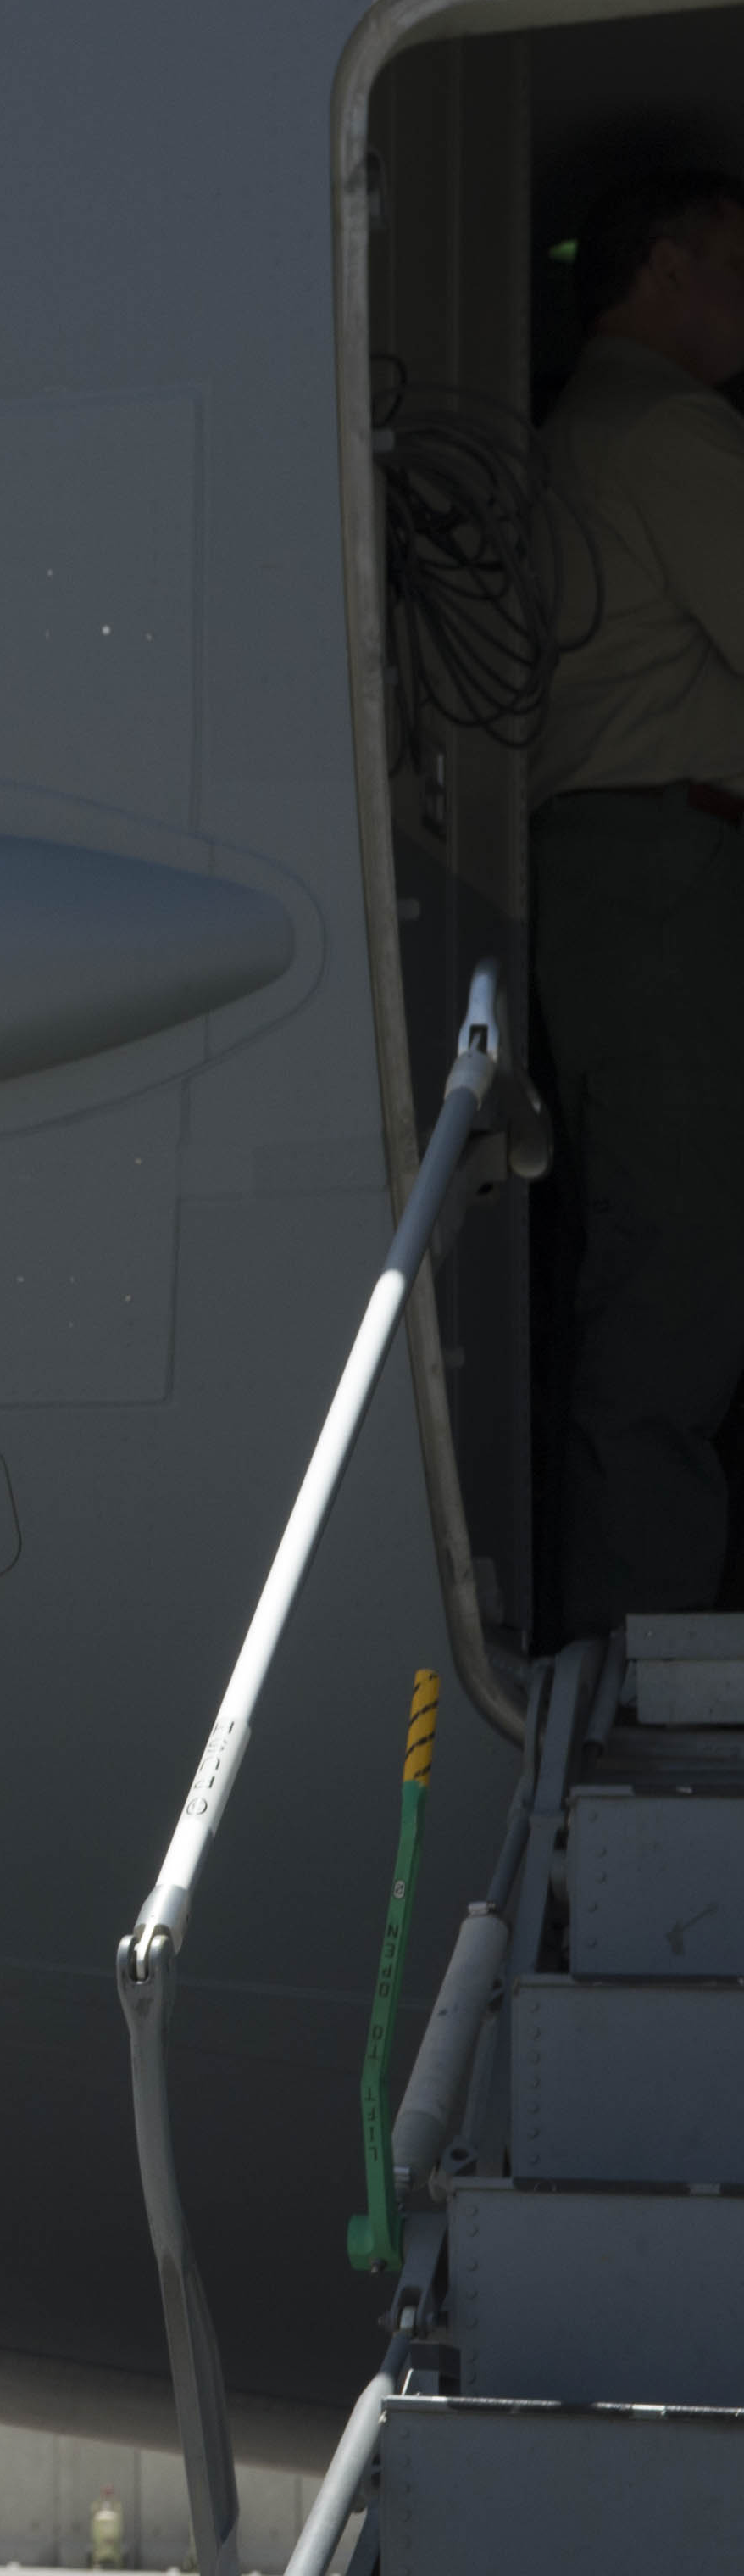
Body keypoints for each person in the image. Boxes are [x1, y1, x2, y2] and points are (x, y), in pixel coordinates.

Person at [533, 165, 744, 1634]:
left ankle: (630, 1610)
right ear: (664, 267)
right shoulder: (670, 426)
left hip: (601, 877)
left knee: (638, 1240)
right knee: (676, 1254)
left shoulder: (562, 434)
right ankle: (654, 1637)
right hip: (671, 873)